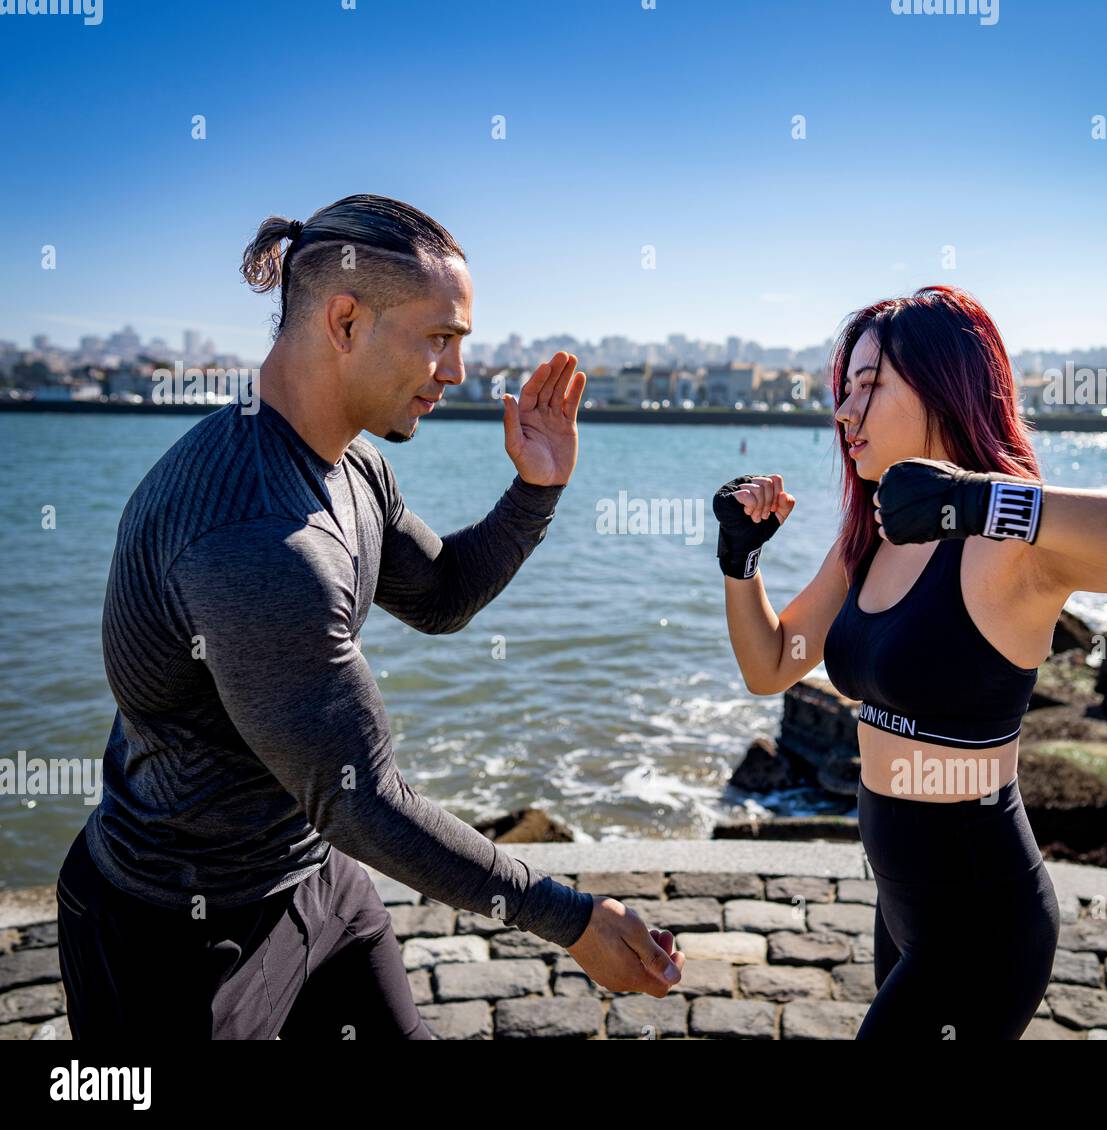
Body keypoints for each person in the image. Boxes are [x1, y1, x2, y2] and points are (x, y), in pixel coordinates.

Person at [57, 193, 683, 1040]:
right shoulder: (255, 537)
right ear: (345, 320)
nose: (456, 374)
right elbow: (363, 800)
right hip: (176, 932)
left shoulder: (350, 468)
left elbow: (442, 597)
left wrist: (538, 489)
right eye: (440, 339)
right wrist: (571, 919)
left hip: (317, 882)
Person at [711, 285, 1107, 1040]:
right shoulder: (871, 536)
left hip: (984, 925)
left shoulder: (1005, 540)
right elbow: (772, 665)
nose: (844, 412)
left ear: (941, 386)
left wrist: (985, 502)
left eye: (870, 386)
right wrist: (740, 561)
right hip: (900, 912)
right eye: (843, 391)